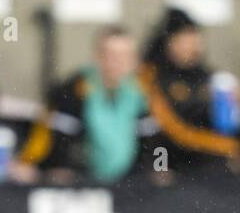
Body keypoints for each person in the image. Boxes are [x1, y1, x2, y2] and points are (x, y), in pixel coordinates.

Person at [14, 27, 160, 184]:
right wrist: (45, 165)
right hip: (82, 178)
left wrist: (158, 169)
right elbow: (56, 137)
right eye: (111, 55)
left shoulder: (141, 92)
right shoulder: (75, 88)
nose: (118, 62)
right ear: (97, 57)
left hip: (126, 181)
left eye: (124, 56)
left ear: (134, 60)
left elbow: (152, 140)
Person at [138, 7, 240, 177]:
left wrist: (234, 107)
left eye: (197, 38)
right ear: (170, 41)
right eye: (186, 38)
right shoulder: (150, 76)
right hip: (166, 162)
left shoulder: (210, 78)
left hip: (205, 164)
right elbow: (167, 128)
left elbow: (226, 123)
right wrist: (225, 146)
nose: (194, 45)